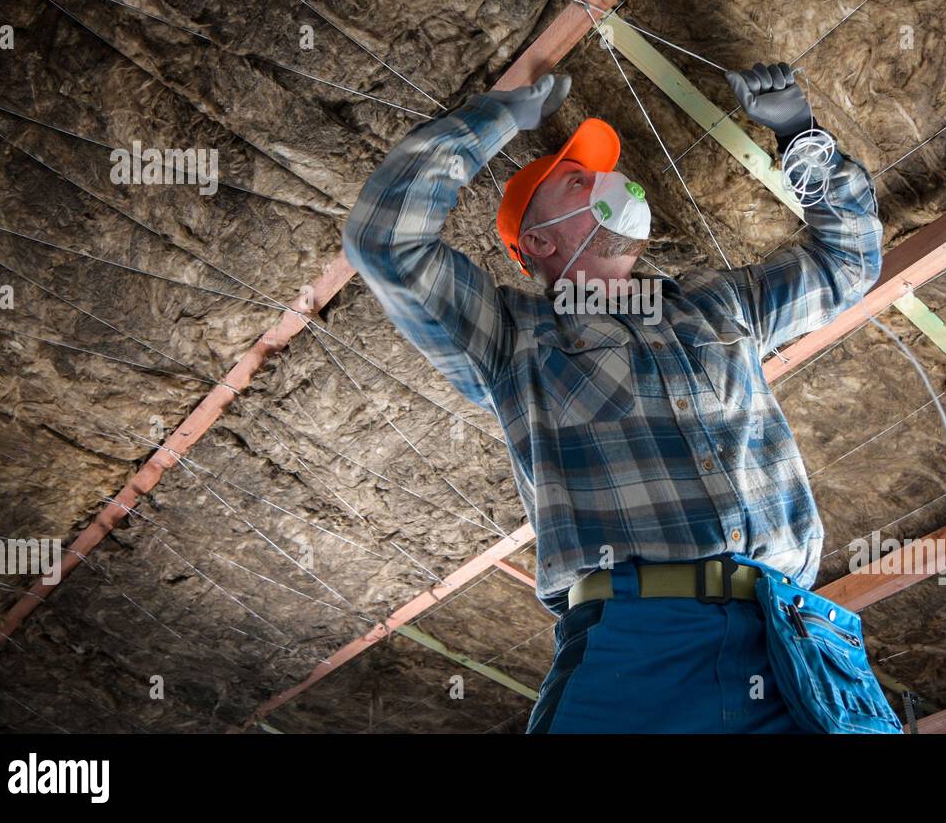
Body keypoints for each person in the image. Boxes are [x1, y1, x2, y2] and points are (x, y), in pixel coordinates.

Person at [343, 62, 902, 733]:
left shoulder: (719, 305)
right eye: (580, 181)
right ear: (541, 242)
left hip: (792, 644)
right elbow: (385, 238)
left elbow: (848, 258)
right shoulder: (512, 337)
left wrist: (799, 134)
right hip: (634, 653)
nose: (614, 183)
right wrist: (495, 117)